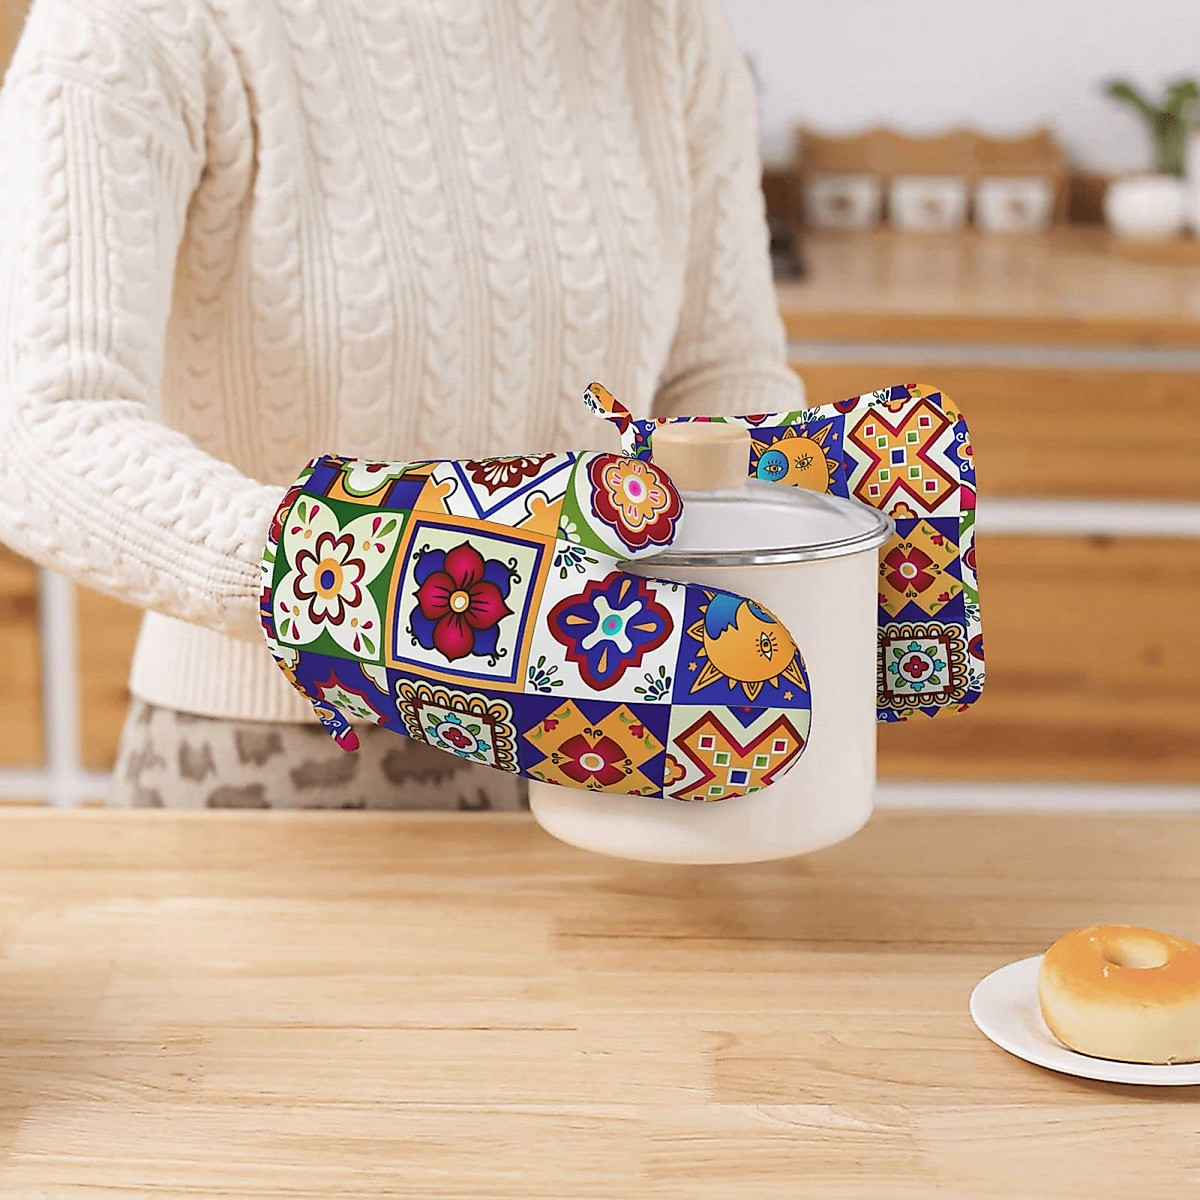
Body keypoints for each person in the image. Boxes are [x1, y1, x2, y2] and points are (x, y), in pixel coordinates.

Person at [0, 0, 803, 810]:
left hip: (627, 737)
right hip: (271, 759)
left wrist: (768, 595)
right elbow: (40, 425)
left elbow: (721, 378)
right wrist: (376, 589)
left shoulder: (663, 21)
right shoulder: (140, 20)